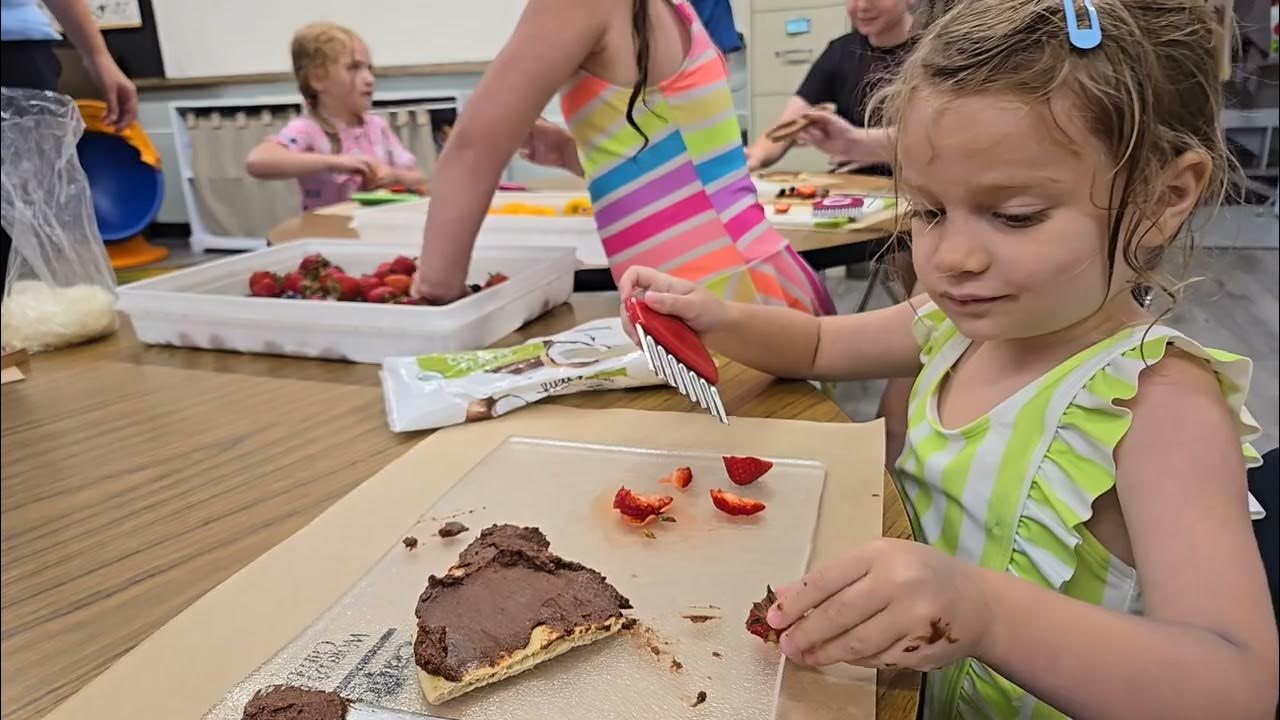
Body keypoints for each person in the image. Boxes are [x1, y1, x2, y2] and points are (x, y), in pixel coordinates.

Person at [619, 1, 1279, 716]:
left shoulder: (1157, 406)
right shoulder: (955, 327)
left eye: (1015, 215)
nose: (952, 259)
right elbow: (815, 344)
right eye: (930, 212)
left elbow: (1233, 688)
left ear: (1162, 197)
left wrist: (983, 612)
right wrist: (713, 317)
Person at [410, 0, 834, 316]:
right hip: (756, 281)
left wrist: (437, 293)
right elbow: (685, 171)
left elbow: (474, 146)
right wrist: (567, 153)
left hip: (715, 297)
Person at [1, 0, 138, 282]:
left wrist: (97, 55)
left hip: (14, 51)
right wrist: (95, 55)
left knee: (25, 220)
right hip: (17, 52)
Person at [245, 23, 425, 211]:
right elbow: (257, 161)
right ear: (317, 79)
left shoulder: (377, 126)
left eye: (369, 69)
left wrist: (394, 176)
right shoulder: (307, 129)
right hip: (328, 235)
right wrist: (336, 162)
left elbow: (419, 179)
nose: (370, 79)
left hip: (374, 232)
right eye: (354, 68)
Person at [745, 0, 913, 172]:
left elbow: (933, 138)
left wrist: (859, 145)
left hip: (918, 189)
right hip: (853, 188)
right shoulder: (841, 51)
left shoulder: (934, 53)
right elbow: (791, 121)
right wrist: (755, 156)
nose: (862, 6)